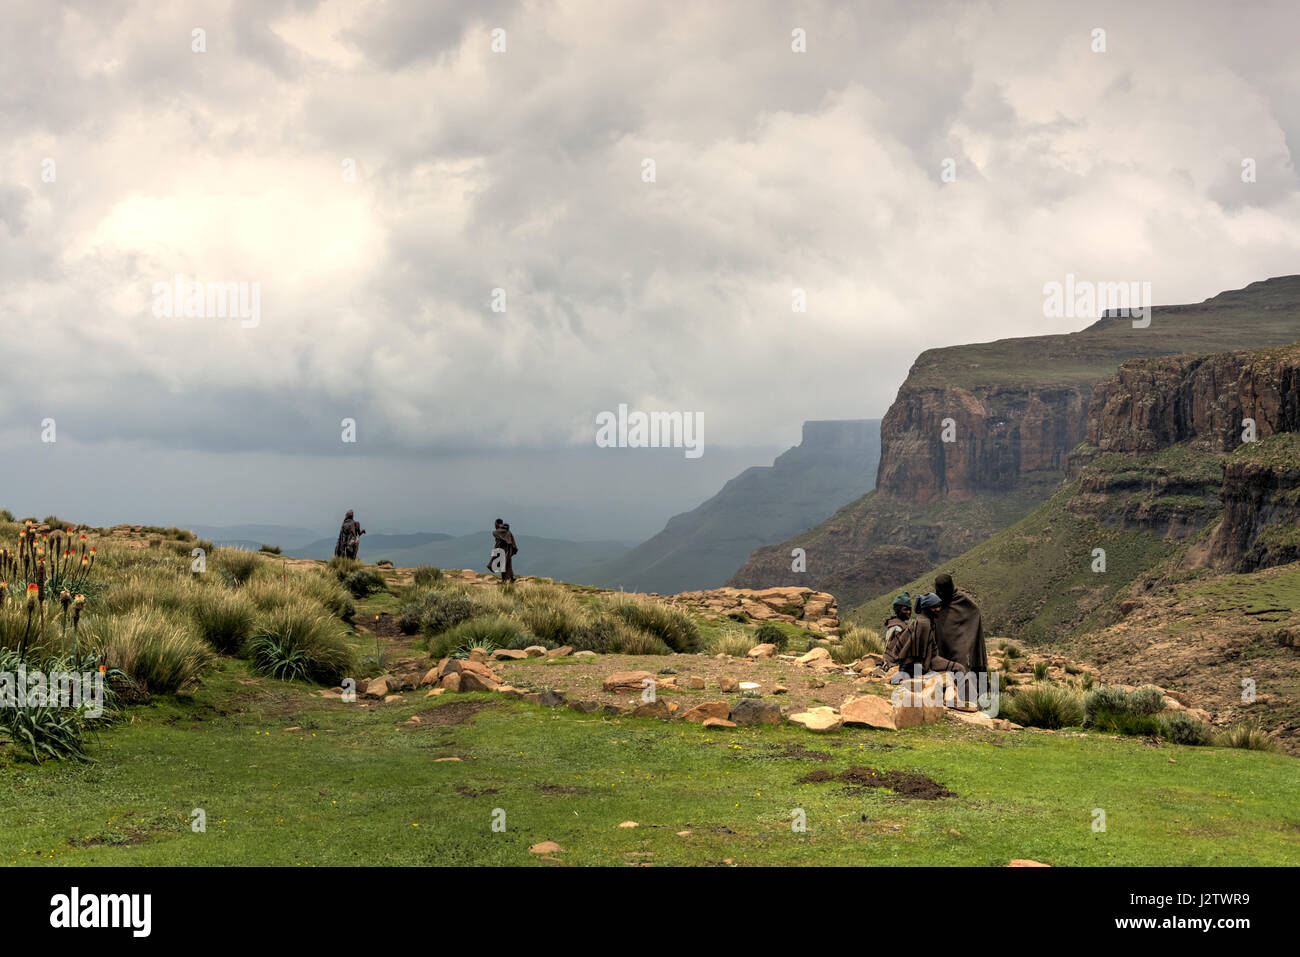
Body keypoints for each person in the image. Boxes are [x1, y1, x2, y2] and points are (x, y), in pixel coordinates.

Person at [933, 573, 988, 674]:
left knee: (963, 673)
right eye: (939, 591)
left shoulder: (962, 601)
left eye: (943, 590)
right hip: (943, 649)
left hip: (963, 650)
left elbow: (974, 615)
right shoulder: (936, 605)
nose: (941, 593)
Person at [882, 592, 912, 663]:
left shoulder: (897, 624)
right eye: (905, 609)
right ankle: (918, 673)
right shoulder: (898, 628)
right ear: (898, 611)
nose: (909, 612)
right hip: (895, 662)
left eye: (910, 609)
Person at [490, 518, 517, 583]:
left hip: (504, 550)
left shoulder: (500, 531)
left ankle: (505, 581)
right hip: (508, 549)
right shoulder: (507, 531)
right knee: (507, 565)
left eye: (495, 523)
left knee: (503, 565)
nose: (494, 525)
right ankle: (511, 578)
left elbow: (494, 533)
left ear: (497, 524)